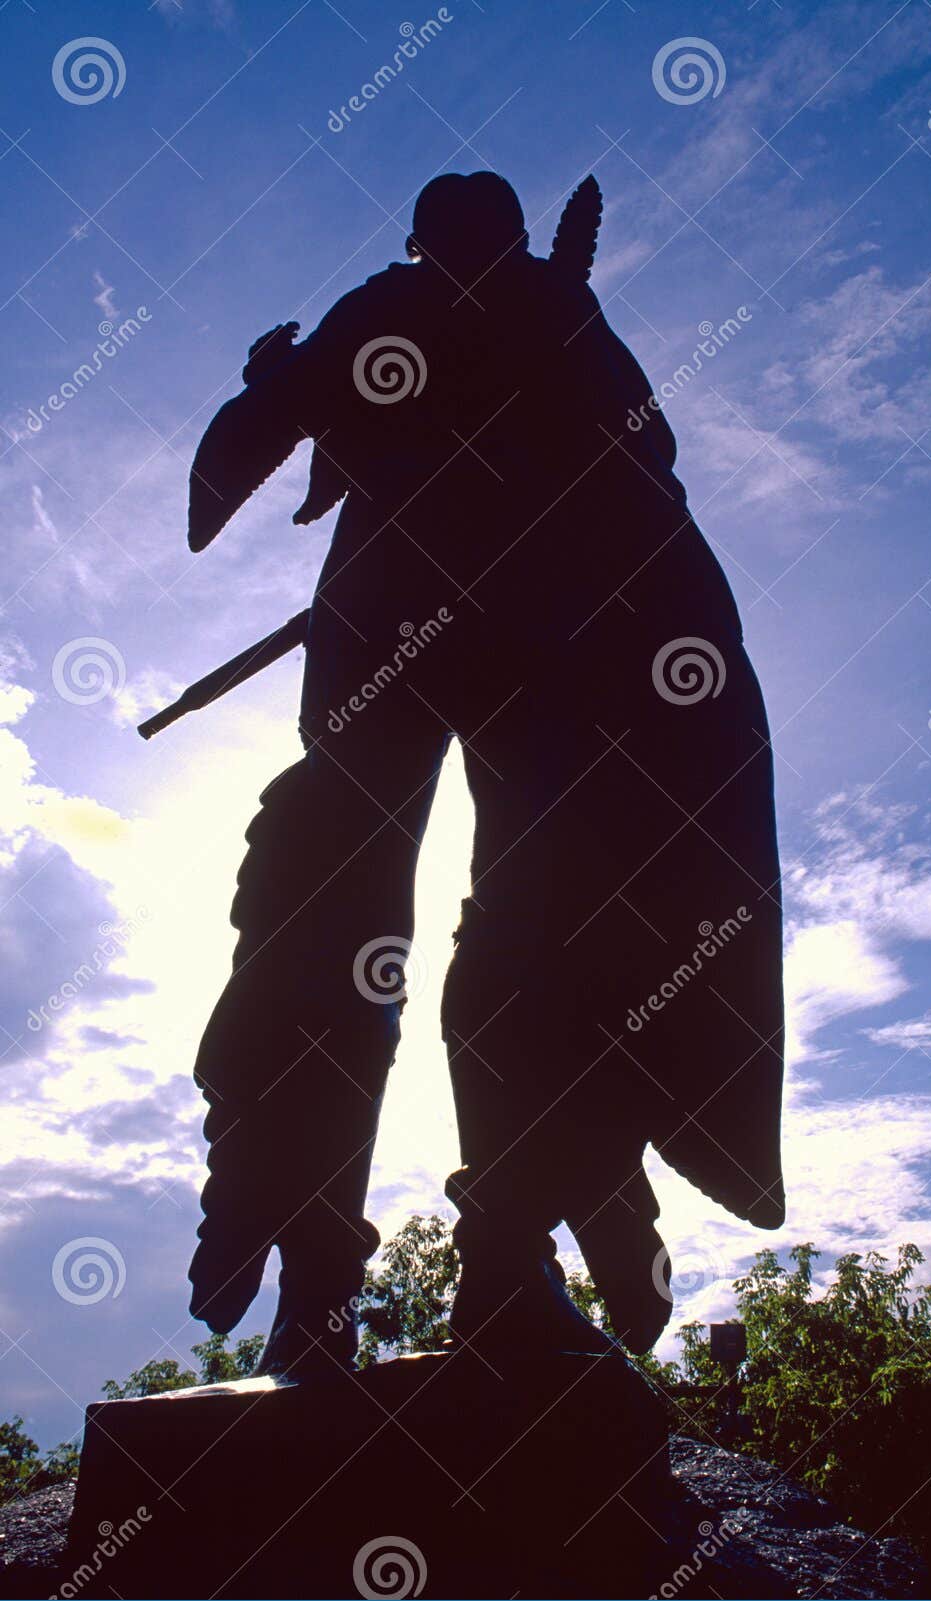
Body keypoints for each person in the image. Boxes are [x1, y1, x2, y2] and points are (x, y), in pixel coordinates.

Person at [186, 172, 785, 1381]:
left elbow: (238, 455)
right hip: (502, 632)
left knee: (435, 917)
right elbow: (646, 464)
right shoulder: (520, 304)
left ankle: (428, 1270)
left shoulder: (415, 306)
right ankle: (445, 1265)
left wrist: (292, 392)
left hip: (455, 628)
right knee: (453, 916)